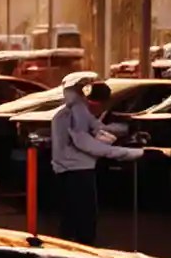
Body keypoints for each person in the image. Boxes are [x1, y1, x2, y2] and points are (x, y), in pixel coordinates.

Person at [51, 72, 145, 245]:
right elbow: (85, 143)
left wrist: (122, 129)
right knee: (84, 216)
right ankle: (82, 251)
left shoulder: (74, 110)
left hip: (71, 170)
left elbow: (97, 128)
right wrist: (131, 153)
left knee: (71, 216)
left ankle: (69, 247)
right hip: (76, 171)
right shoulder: (75, 113)